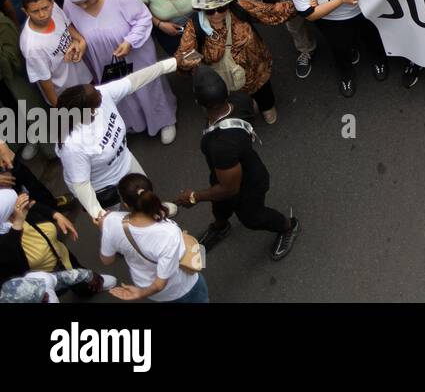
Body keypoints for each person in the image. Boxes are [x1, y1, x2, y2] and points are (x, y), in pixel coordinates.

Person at [178, 67, 301, 260]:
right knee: (219, 208)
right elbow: (254, 108)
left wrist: (194, 197)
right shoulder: (240, 100)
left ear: (198, 103)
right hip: (225, 172)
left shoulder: (221, 145)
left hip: (247, 183)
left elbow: (229, 189)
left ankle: (288, 226)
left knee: (252, 218)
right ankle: (220, 227)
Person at [54, 51, 178, 222]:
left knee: (145, 193)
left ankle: (156, 210)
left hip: (126, 162)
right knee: (123, 223)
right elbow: (81, 184)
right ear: (86, 110)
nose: (99, 92)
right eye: (96, 99)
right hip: (105, 189)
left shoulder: (101, 94)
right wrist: (100, 216)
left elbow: (134, 81)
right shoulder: (72, 145)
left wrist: (171, 63)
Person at [97, 173, 207, 302]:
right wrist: (139, 294)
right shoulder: (170, 232)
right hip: (181, 288)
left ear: (126, 204)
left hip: (150, 288)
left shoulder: (110, 221)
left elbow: (107, 260)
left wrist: (104, 230)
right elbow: (160, 283)